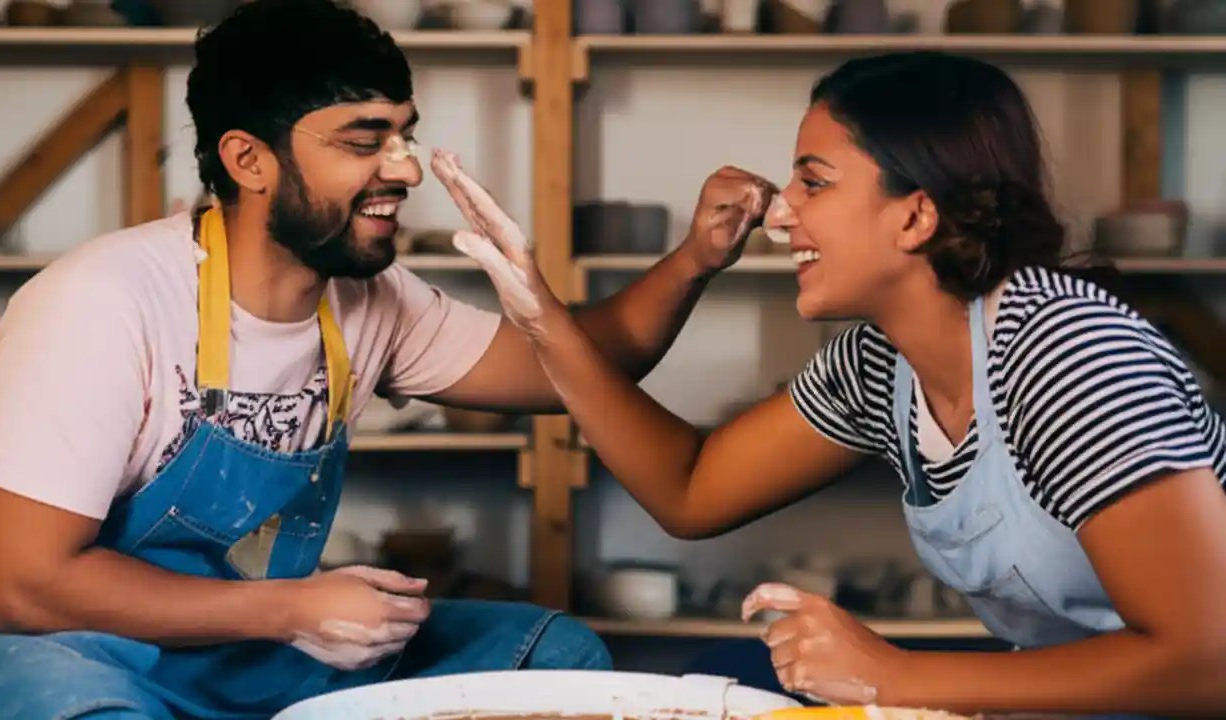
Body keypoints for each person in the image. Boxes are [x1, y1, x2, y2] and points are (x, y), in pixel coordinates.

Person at [0, 1, 758, 717]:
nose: (404, 169)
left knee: (552, 658)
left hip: (226, 625)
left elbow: (582, 371)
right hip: (26, 636)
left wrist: (693, 259)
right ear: (248, 160)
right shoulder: (103, 301)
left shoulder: (374, 298)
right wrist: (292, 612)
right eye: (364, 140)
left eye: (404, 134)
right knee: (74, 705)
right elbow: (24, 588)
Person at [439, 51, 1226, 718]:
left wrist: (897, 673)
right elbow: (689, 491)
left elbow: (1206, 657)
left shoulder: (1067, 350)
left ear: (915, 219)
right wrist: (543, 321)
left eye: (814, 182)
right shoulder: (880, 361)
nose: (779, 215)